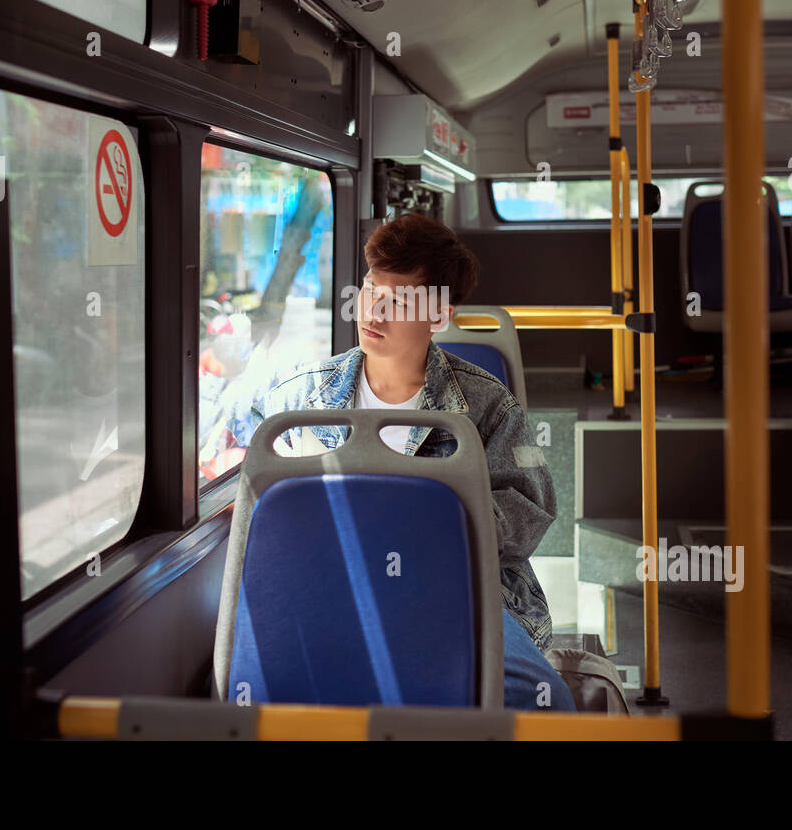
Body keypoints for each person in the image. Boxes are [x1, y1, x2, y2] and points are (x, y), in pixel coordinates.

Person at [240, 212, 575, 712]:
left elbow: (530, 509)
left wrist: (433, 529)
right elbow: (251, 480)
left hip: (452, 585)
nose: (374, 310)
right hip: (326, 580)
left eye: (399, 300)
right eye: (371, 289)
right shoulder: (298, 395)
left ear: (437, 315)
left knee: (542, 701)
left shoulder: (486, 406)